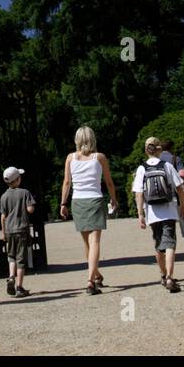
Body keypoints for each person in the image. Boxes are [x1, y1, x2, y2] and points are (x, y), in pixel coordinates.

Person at [59, 126, 118, 295]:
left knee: (87, 243)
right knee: (94, 242)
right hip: (95, 200)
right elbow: (108, 181)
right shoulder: (99, 157)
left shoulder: (70, 158)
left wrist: (63, 203)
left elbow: (67, 182)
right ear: (93, 139)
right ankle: (90, 281)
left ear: (77, 139)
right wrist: (113, 198)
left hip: (78, 202)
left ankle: (96, 275)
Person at [133, 136, 184, 293]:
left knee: (159, 245)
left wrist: (140, 214)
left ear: (146, 150)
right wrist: (183, 206)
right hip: (169, 210)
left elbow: (138, 193)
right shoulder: (167, 166)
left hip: (152, 213)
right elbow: (179, 188)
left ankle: (163, 275)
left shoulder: (142, 168)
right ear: (160, 150)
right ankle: (170, 277)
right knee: (170, 244)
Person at [0, 166, 36, 297]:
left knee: (11, 256)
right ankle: (19, 287)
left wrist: (3, 232)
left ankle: (11, 276)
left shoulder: (4, 196)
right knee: (21, 259)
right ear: (17, 179)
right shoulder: (25, 193)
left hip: (9, 230)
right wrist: (31, 206)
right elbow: (30, 209)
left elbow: (3, 216)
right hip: (21, 229)